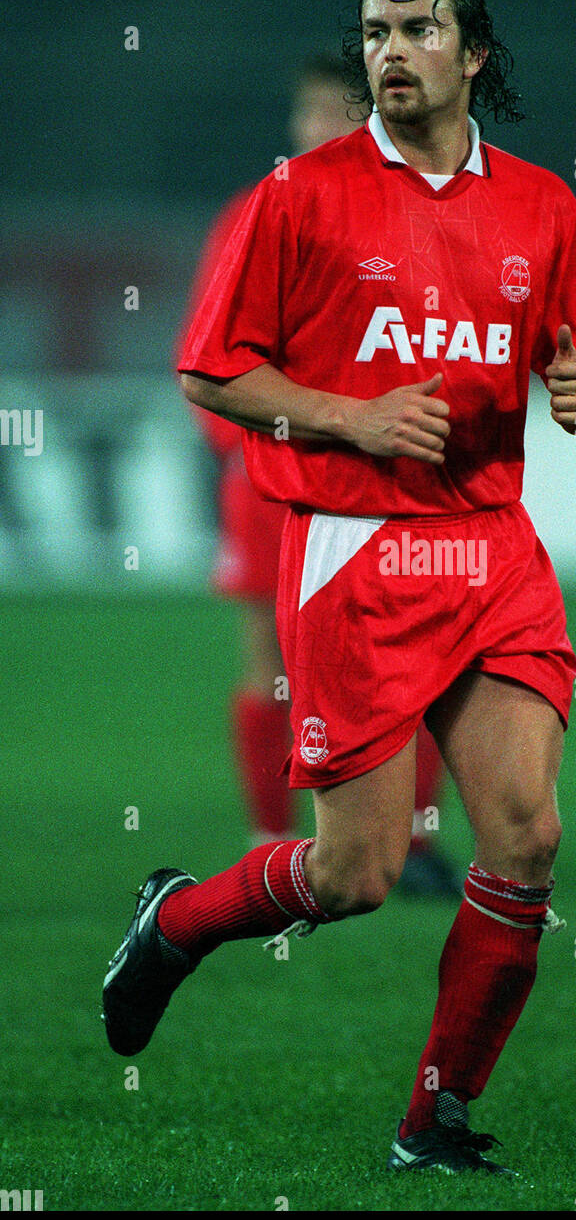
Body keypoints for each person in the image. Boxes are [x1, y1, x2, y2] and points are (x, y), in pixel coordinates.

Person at [104, 0, 576, 1176]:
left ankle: (431, 1121)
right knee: (354, 876)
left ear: (471, 54)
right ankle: (174, 921)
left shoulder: (542, 205)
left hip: (491, 548)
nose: (388, 50)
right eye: (372, 34)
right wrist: (350, 415)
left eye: (414, 29)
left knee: (526, 837)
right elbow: (208, 368)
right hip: (358, 554)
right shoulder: (301, 195)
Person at [182, 54, 456, 894]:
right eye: (305, 111)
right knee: (270, 660)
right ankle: (270, 840)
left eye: (334, 111)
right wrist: (271, 444)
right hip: (280, 483)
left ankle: (408, 841)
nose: (313, 128)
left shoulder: (429, 212)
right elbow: (207, 359)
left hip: (404, 488)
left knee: (419, 664)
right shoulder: (255, 213)